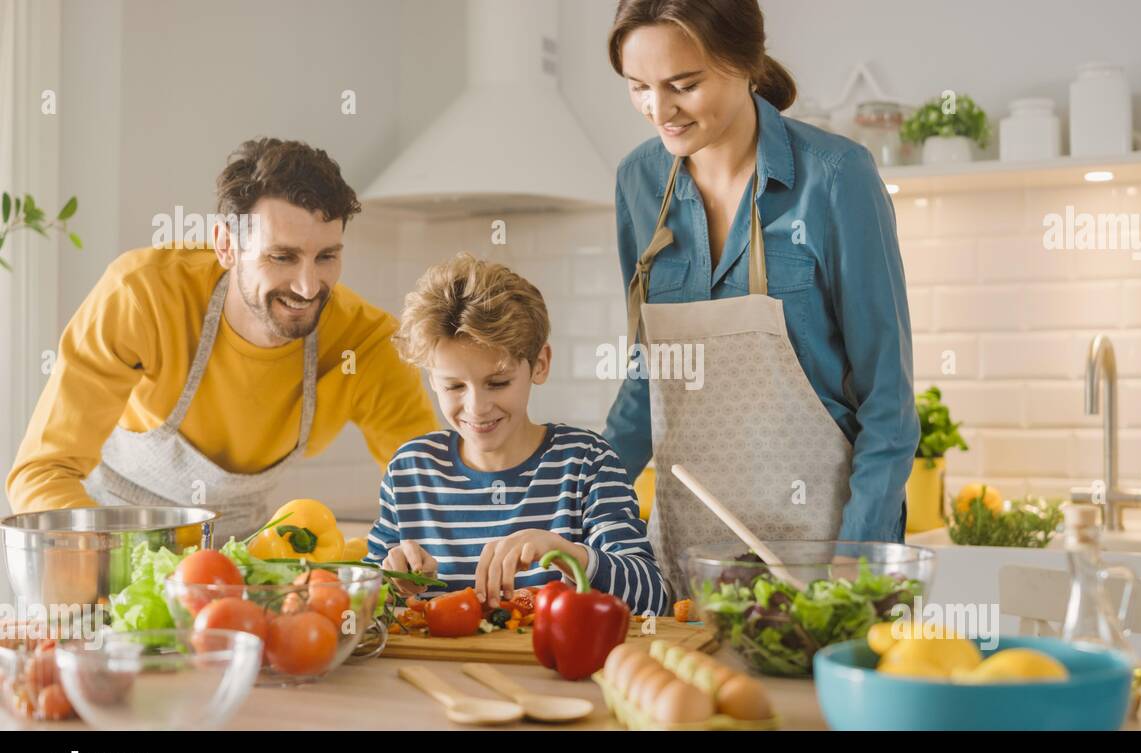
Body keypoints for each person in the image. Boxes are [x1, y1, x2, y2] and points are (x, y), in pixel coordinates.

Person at [601, 0, 919, 597]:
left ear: (744, 62)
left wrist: (856, 555)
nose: (658, 110)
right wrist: (572, 513)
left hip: (826, 552)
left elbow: (889, 403)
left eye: (683, 85)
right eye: (638, 87)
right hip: (686, 560)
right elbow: (648, 379)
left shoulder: (836, 177)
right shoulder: (637, 183)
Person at [6, 138, 436, 537]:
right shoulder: (142, 295)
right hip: (106, 539)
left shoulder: (366, 343)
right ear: (226, 246)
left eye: (326, 257)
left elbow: (426, 494)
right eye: (281, 257)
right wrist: (103, 571)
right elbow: (43, 472)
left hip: (236, 564)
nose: (308, 287)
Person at [368, 253, 668, 615]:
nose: (477, 407)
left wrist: (565, 553)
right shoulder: (410, 471)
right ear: (432, 379)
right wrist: (392, 584)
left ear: (539, 365)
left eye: (498, 382)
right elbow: (358, 604)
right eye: (454, 386)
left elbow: (653, 600)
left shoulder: (586, 462)